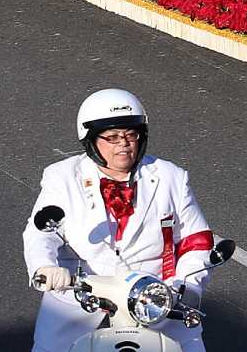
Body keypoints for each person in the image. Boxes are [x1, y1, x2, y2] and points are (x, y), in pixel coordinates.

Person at [24, 90, 214, 352]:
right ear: (90, 140)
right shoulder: (61, 177)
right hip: (78, 300)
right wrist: (45, 268)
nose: (123, 144)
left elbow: (197, 242)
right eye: (112, 137)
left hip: (154, 302)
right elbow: (40, 233)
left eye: (130, 135)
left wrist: (185, 286)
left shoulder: (172, 177)